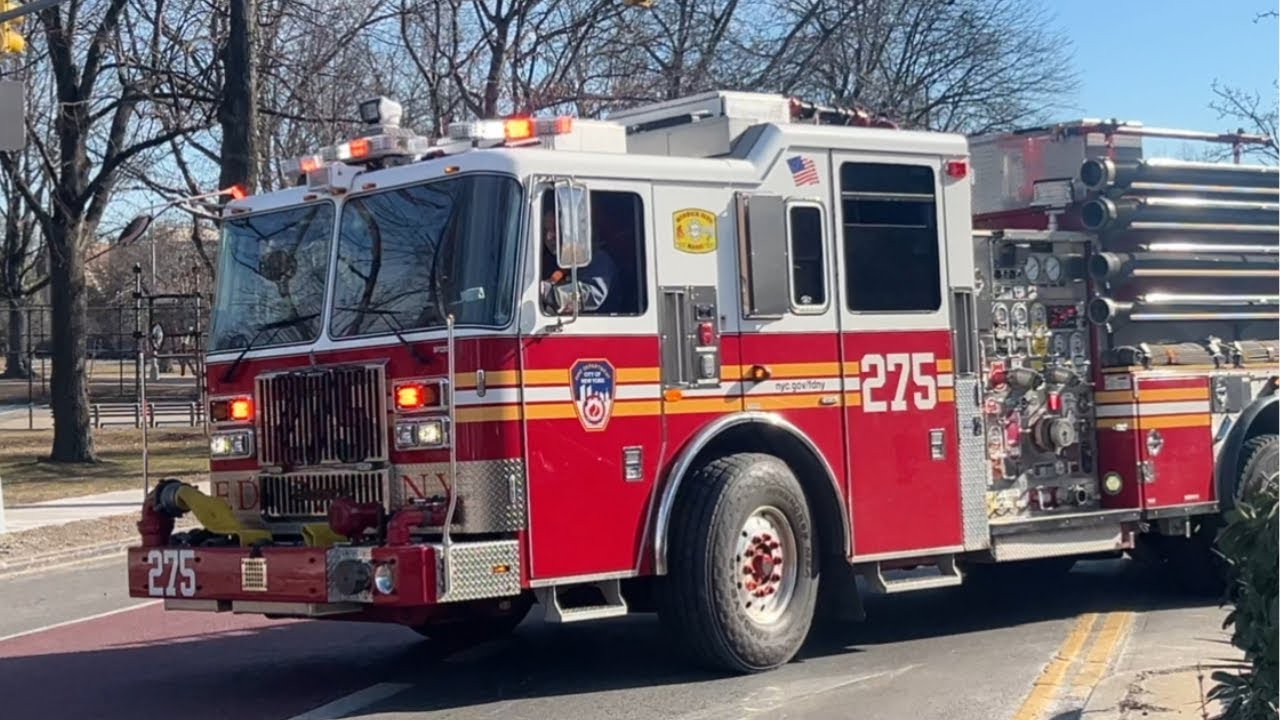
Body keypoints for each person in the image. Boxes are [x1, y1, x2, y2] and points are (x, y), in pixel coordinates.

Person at [539, 203, 618, 315]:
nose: (549, 236)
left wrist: (549, 293)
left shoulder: (598, 260)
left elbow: (592, 294)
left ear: (571, 230)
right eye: (545, 230)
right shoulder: (546, 262)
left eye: (556, 229)